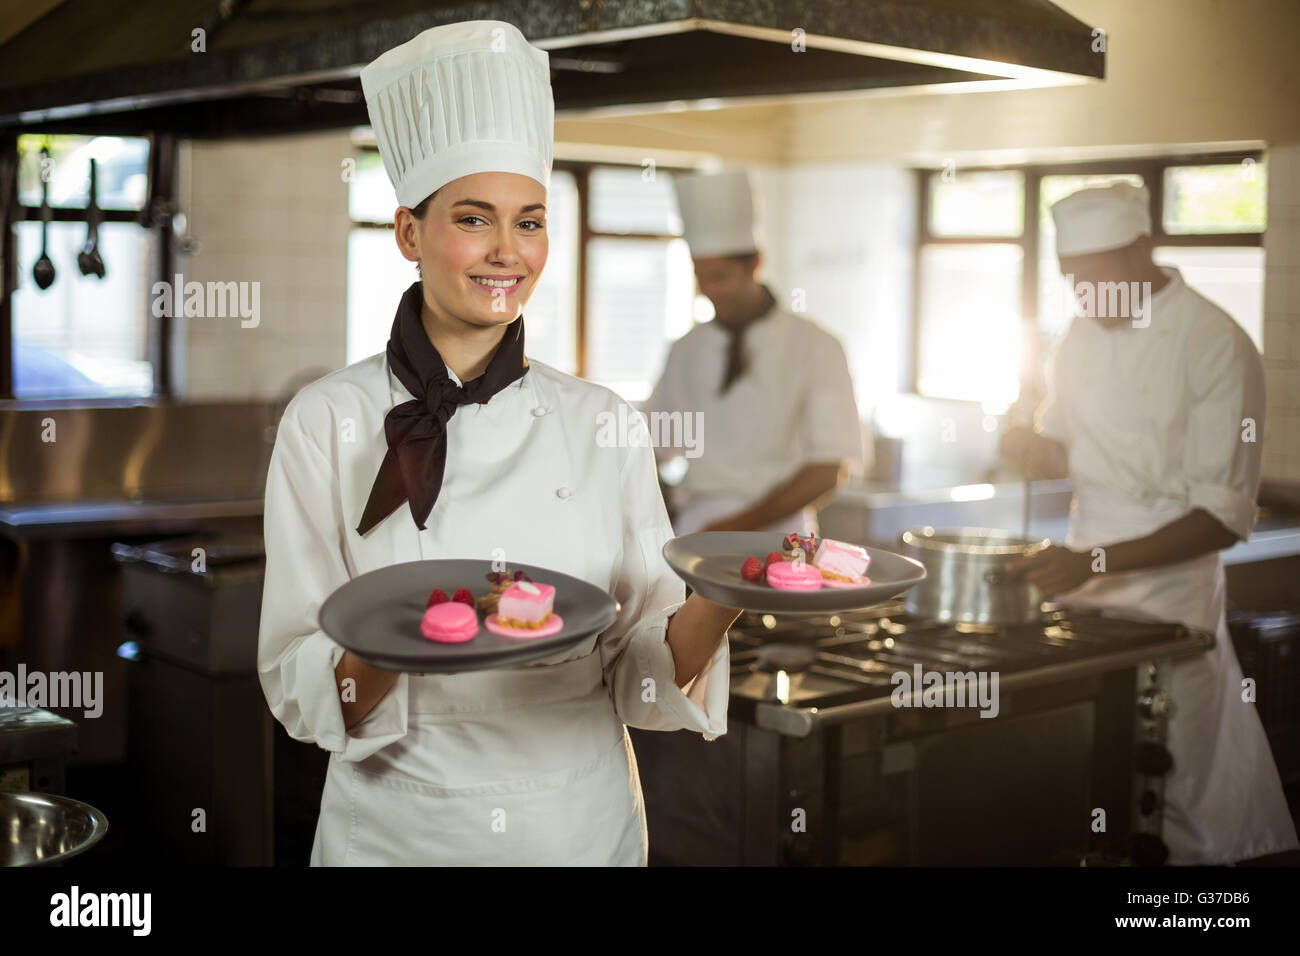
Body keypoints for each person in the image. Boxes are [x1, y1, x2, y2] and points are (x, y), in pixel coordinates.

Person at [257, 19, 740, 866]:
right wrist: (400, 637)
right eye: (474, 219)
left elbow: (642, 670)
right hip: (397, 831)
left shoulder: (603, 421)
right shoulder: (324, 420)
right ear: (409, 233)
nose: (507, 253)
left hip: (577, 827)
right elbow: (298, 681)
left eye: (531, 222)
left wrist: (727, 596)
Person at [1002, 182, 1298, 865]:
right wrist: (1027, 444)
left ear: (1142, 249)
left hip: (1170, 606)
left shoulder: (1215, 342)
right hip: (1084, 597)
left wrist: (1094, 561)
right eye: (1072, 281)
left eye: (1095, 276)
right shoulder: (1078, 337)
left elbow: (1223, 517)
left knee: (1173, 797)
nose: (1084, 297)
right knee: (1088, 783)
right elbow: (1065, 445)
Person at [642, 170, 863, 537]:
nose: (710, 290)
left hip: (781, 536)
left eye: (721, 276)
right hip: (695, 528)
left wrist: (731, 528)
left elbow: (827, 471)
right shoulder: (686, 350)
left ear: (755, 263)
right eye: (701, 276)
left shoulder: (817, 347)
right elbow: (652, 445)